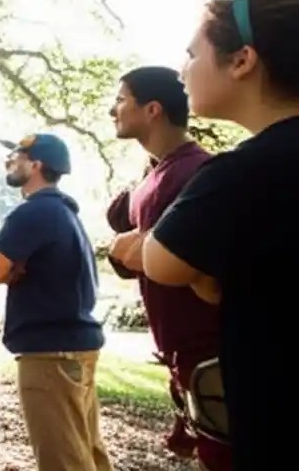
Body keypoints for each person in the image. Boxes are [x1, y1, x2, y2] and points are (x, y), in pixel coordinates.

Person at [144, 0, 299, 469]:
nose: (182, 70)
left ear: (242, 60)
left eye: (192, 54)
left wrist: (207, 274)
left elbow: (159, 261)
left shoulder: (243, 172)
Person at [105, 66, 229, 469]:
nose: (112, 110)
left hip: (215, 355)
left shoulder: (198, 173)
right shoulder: (153, 176)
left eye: (121, 100)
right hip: (182, 357)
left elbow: (211, 271)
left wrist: (143, 250)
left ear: (152, 109)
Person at [0, 134, 111, 471]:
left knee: (62, 460)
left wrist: (11, 269)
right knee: (86, 451)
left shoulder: (33, 212)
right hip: (75, 346)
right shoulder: (65, 211)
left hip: (50, 355)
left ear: (36, 164)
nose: (9, 160)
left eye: (16, 155)